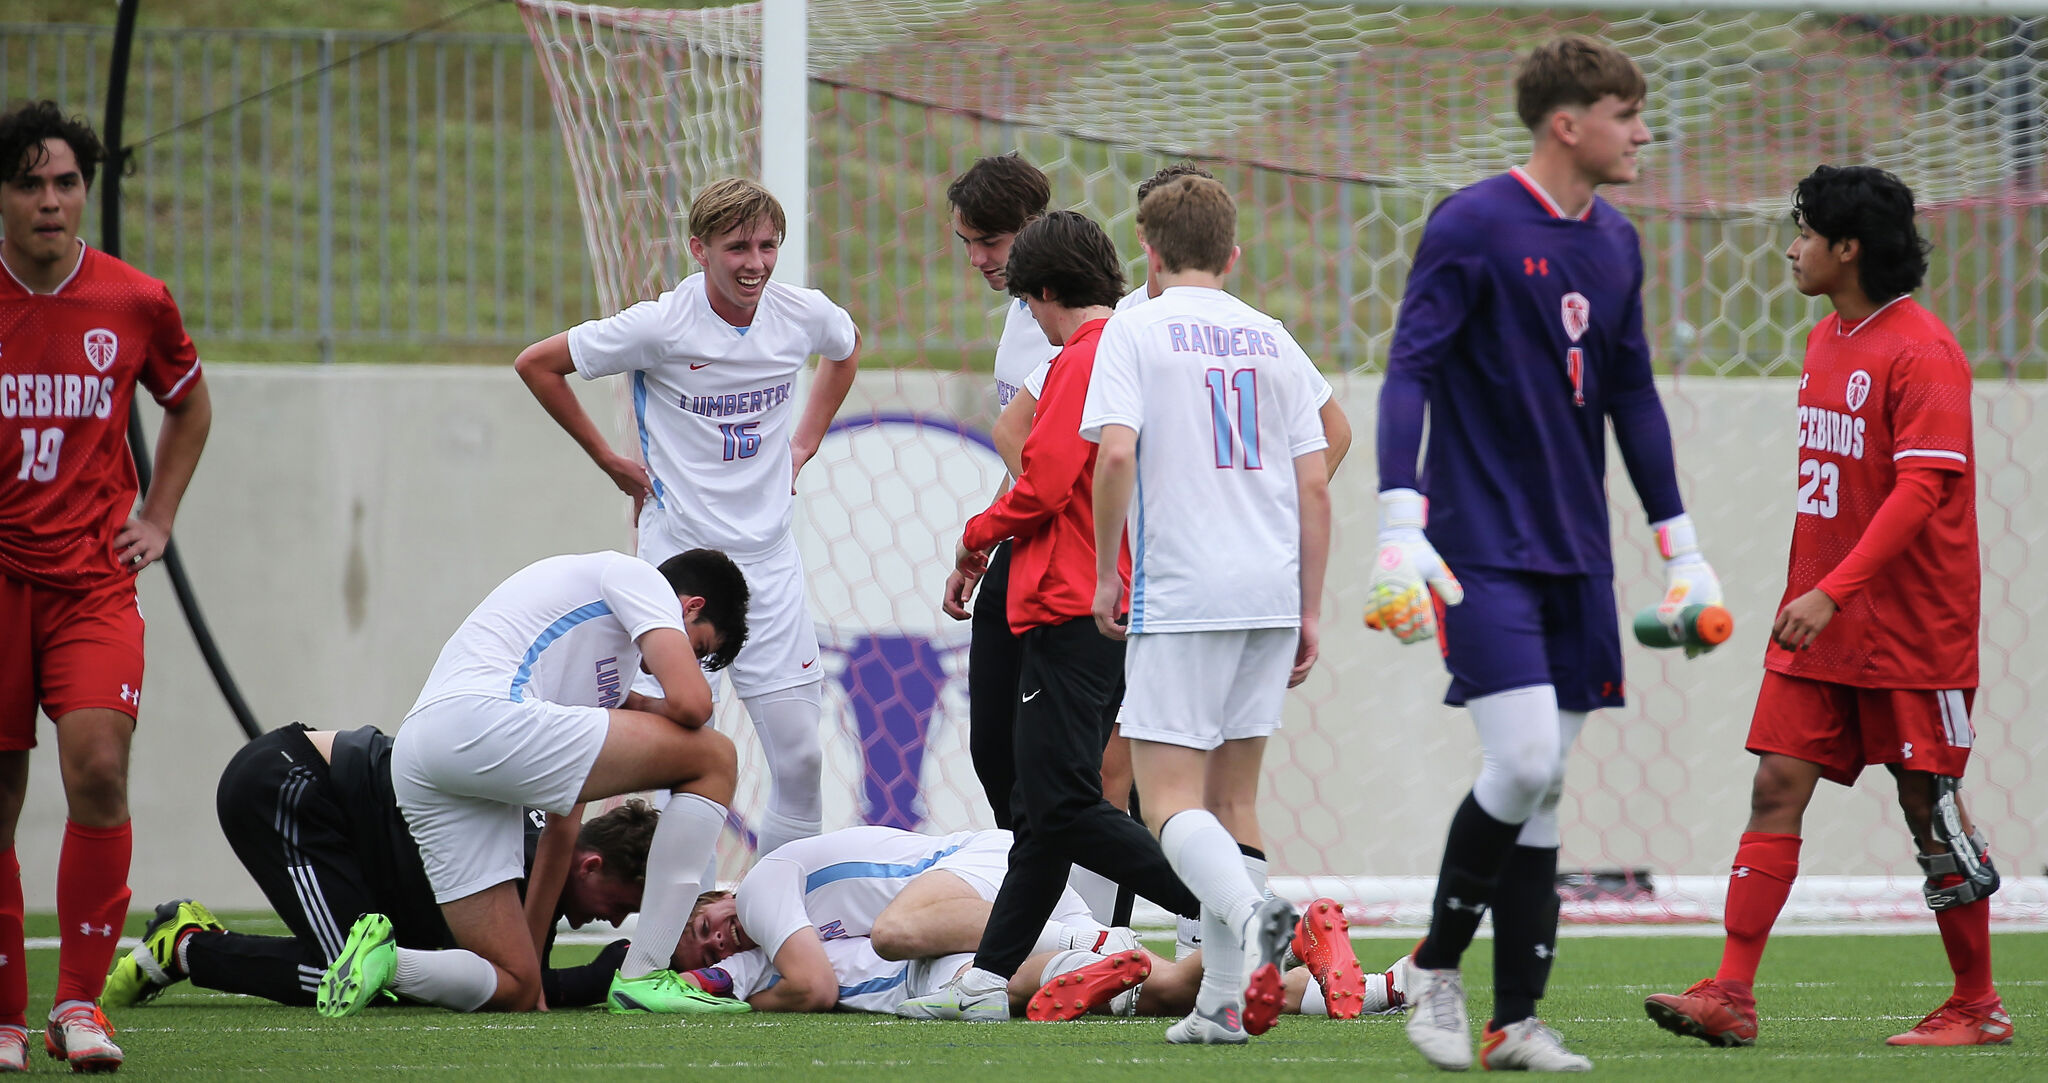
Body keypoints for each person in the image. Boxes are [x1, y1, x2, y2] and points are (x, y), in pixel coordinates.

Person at [1366, 37, 1721, 1073]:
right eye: (1623, 113)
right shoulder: (1471, 223)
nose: (1641, 133)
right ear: (1566, 123)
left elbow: (1632, 399)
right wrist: (1400, 521)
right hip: (1477, 546)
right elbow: (1407, 374)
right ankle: (1433, 970)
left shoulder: (1613, 243)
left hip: (1576, 553)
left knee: (1544, 781)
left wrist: (1681, 549)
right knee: (1520, 761)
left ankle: (1513, 1021)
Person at [1644, 166, 2010, 1050]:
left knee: (1930, 808)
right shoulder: (1826, 339)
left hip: (1909, 631)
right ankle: (1731, 991)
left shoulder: (1923, 351)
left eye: (1802, 231)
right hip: (1821, 626)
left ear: (1848, 247)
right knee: (1775, 784)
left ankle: (1977, 1003)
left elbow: (1922, 490)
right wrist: (1820, 596)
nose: (1790, 246)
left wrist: (1831, 588)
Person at [895, 211, 1209, 1025]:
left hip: (1073, 605)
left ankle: (1227, 907)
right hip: (1080, 603)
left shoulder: (1084, 356)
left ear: (1042, 291)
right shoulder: (1119, 349)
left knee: (1064, 803)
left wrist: (975, 535)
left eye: (1026, 301)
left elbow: (1045, 480)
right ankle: (985, 979)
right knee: (1043, 810)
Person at [516, 177, 859, 859]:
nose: (755, 262)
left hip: (769, 567)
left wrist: (805, 442)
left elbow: (845, 350)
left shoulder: (800, 314)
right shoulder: (661, 325)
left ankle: (774, 921)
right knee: (677, 763)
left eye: (767, 245)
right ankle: (676, 932)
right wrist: (608, 459)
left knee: (801, 762)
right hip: (676, 575)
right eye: (737, 247)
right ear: (699, 249)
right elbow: (538, 364)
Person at [1084, 175, 1333, 1045]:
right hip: (1268, 589)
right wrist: (1307, 607)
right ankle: (1222, 1000)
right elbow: (1317, 475)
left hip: (1183, 590)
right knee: (1233, 801)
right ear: (1233, 255)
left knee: (1167, 802)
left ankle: (1261, 917)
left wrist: (1110, 574)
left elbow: (1114, 455)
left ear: (1146, 254)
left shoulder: (1133, 326)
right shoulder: (1271, 336)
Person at [0, 100, 213, 1072]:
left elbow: (188, 404)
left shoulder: (135, 300)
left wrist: (158, 516)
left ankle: (78, 1007)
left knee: (97, 767)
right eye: (29, 183)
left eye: (66, 182)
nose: (51, 201)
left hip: (92, 583)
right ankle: (5, 1017)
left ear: (86, 189)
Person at [310, 547, 750, 1018]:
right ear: (690, 606)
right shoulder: (642, 580)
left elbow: (562, 829)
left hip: (425, 757)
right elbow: (693, 705)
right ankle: (645, 973)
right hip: (484, 718)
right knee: (716, 756)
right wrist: (645, 706)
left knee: (514, 984)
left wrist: (536, 971)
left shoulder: (610, 666)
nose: (687, 657)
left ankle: (386, 962)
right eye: (697, 648)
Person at [102, 724, 661, 1012]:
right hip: (286, 789)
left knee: (389, 966)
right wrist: (611, 969)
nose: (614, 922)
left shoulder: (539, 844)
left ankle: (190, 945)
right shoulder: (530, 861)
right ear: (589, 865)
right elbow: (514, 987)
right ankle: (187, 946)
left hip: (311, 789)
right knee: (368, 977)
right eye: (622, 905)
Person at [666, 824, 1125, 1014]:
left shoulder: (758, 889)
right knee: (962, 982)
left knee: (893, 933)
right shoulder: (787, 941)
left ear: (722, 895)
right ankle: (1144, 977)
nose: (722, 940)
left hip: (985, 867)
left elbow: (815, 988)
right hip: (986, 910)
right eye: (713, 951)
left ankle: (1090, 941)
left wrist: (741, 1005)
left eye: (708, 926)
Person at [935, 153, 1060, 832]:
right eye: (967, 243)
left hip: (1070, 556)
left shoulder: (1086, 319)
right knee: (995, 748)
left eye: (990, 241)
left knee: (1081, 763)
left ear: (1035, 227)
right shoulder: (1021, 312)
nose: (977, 258)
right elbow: (1025, 454)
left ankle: (1102, 924)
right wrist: (984, 538)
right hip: (1019, 539)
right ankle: (1048, 909)